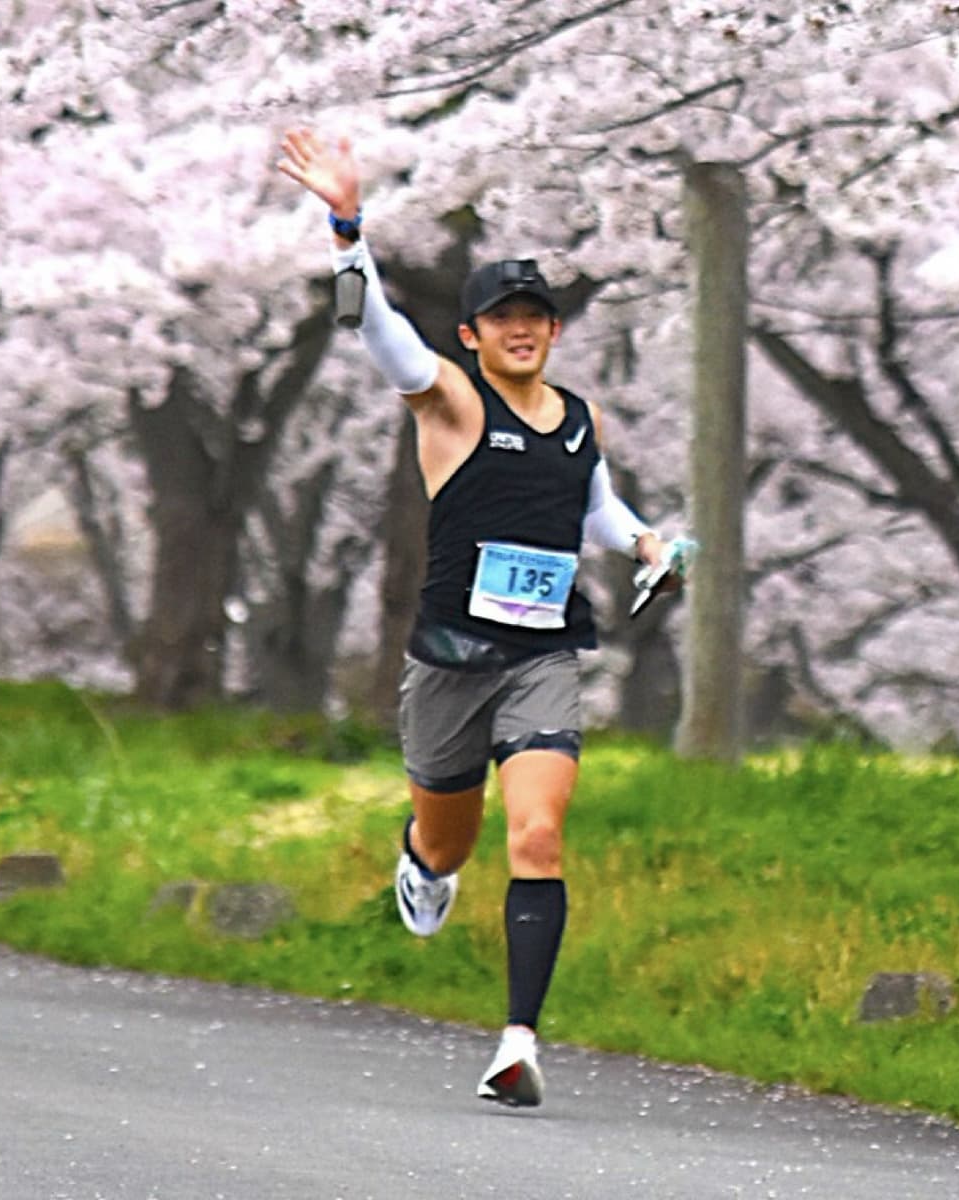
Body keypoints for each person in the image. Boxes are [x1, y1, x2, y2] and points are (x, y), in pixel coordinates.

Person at [277, 129, 684, 1108]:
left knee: (538, 837)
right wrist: (347, 229)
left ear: (554, 331)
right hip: (451, 659)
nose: (522, 330)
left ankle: (517, 1043)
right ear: (472, 335)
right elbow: (377, 330)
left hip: (543, 656)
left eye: (535, 317)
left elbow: (594, 506)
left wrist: (646, 545)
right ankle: (422, 863)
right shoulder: (450, 401)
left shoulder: (578, 419)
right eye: (503, 319)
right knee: (451, 842)